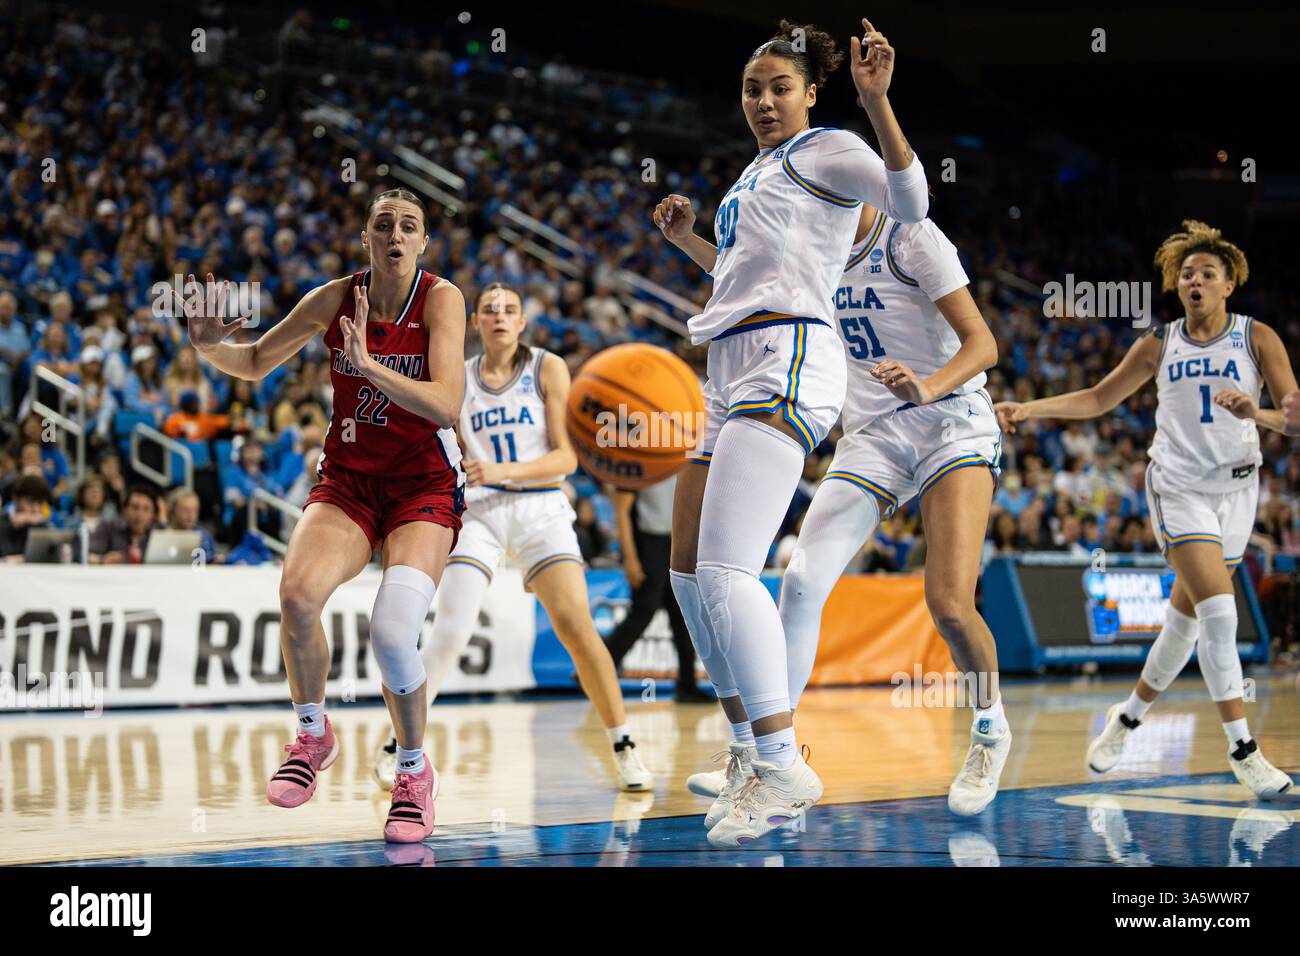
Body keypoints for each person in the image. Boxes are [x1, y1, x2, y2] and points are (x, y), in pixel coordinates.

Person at [652, 17, 929, 846]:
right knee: (687, 575)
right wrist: (688, 241)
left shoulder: (831, 148)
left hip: (789, 356)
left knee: (732, 569)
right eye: (751, 89)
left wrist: (879, 105)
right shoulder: (754, 172)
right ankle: (746, 748)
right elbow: (743, 274)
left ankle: (782, 765)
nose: (763, 100)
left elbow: (912, 201)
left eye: (778, 87)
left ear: (811, 93)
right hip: (732, 363)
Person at [190, 187, 467, 842]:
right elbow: (256, 360)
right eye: (383, 224)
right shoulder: (331, 298)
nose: (396, 234)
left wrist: (369, 366)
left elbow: (448, 403)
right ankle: (313, 735)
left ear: (423, 244)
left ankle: (412, 768)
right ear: (366, 239)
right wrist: (208, 348)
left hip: (421, 485)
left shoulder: (442, 299)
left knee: (394, 632)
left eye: (410, 226)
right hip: (349, 479)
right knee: (296, 598)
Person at [996, 220, 1298, 799]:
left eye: (1208, 273)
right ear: (1175, 284)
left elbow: (1292, 416)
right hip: (1178, 487)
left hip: (1237, 492)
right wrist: (1030, 409)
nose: (1196, 281)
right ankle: (1244, 748)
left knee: (1185, 625)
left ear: (1229, 284)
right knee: (1219, 613)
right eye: (1187, 273)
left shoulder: (1258, 338)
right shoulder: (1160, 343)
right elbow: (1098, 398)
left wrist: (1253, 416)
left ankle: (1127, 718)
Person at [371, 283, 653, 793]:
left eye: (510, 310)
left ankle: (623, 743)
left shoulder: (548, 367)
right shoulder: (456, 376)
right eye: (489, 310)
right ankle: (400, 745)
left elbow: (566, 459)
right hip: (479, 513)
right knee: (450, 630)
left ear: (523, 322)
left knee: (575, 626)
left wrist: (498, 470)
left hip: (539, 507)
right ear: (475, 322)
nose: (499, 316)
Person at [605, 475, 710, 702]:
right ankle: (595, 669)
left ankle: (687, 685)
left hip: (678, 540)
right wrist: (630, 558)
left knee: (683, 614)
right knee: (643, 611)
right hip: (648, 543)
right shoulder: (642, 458)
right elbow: (621, 512)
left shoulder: (685, 453)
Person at [88, 484, 161, 564]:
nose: (139, 514)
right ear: (124, 510)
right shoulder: (107, 528)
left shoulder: (161, 533)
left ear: (154, 515)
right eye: (135, 507)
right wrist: (102, 560)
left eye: (146, 509)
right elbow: (87, 556)